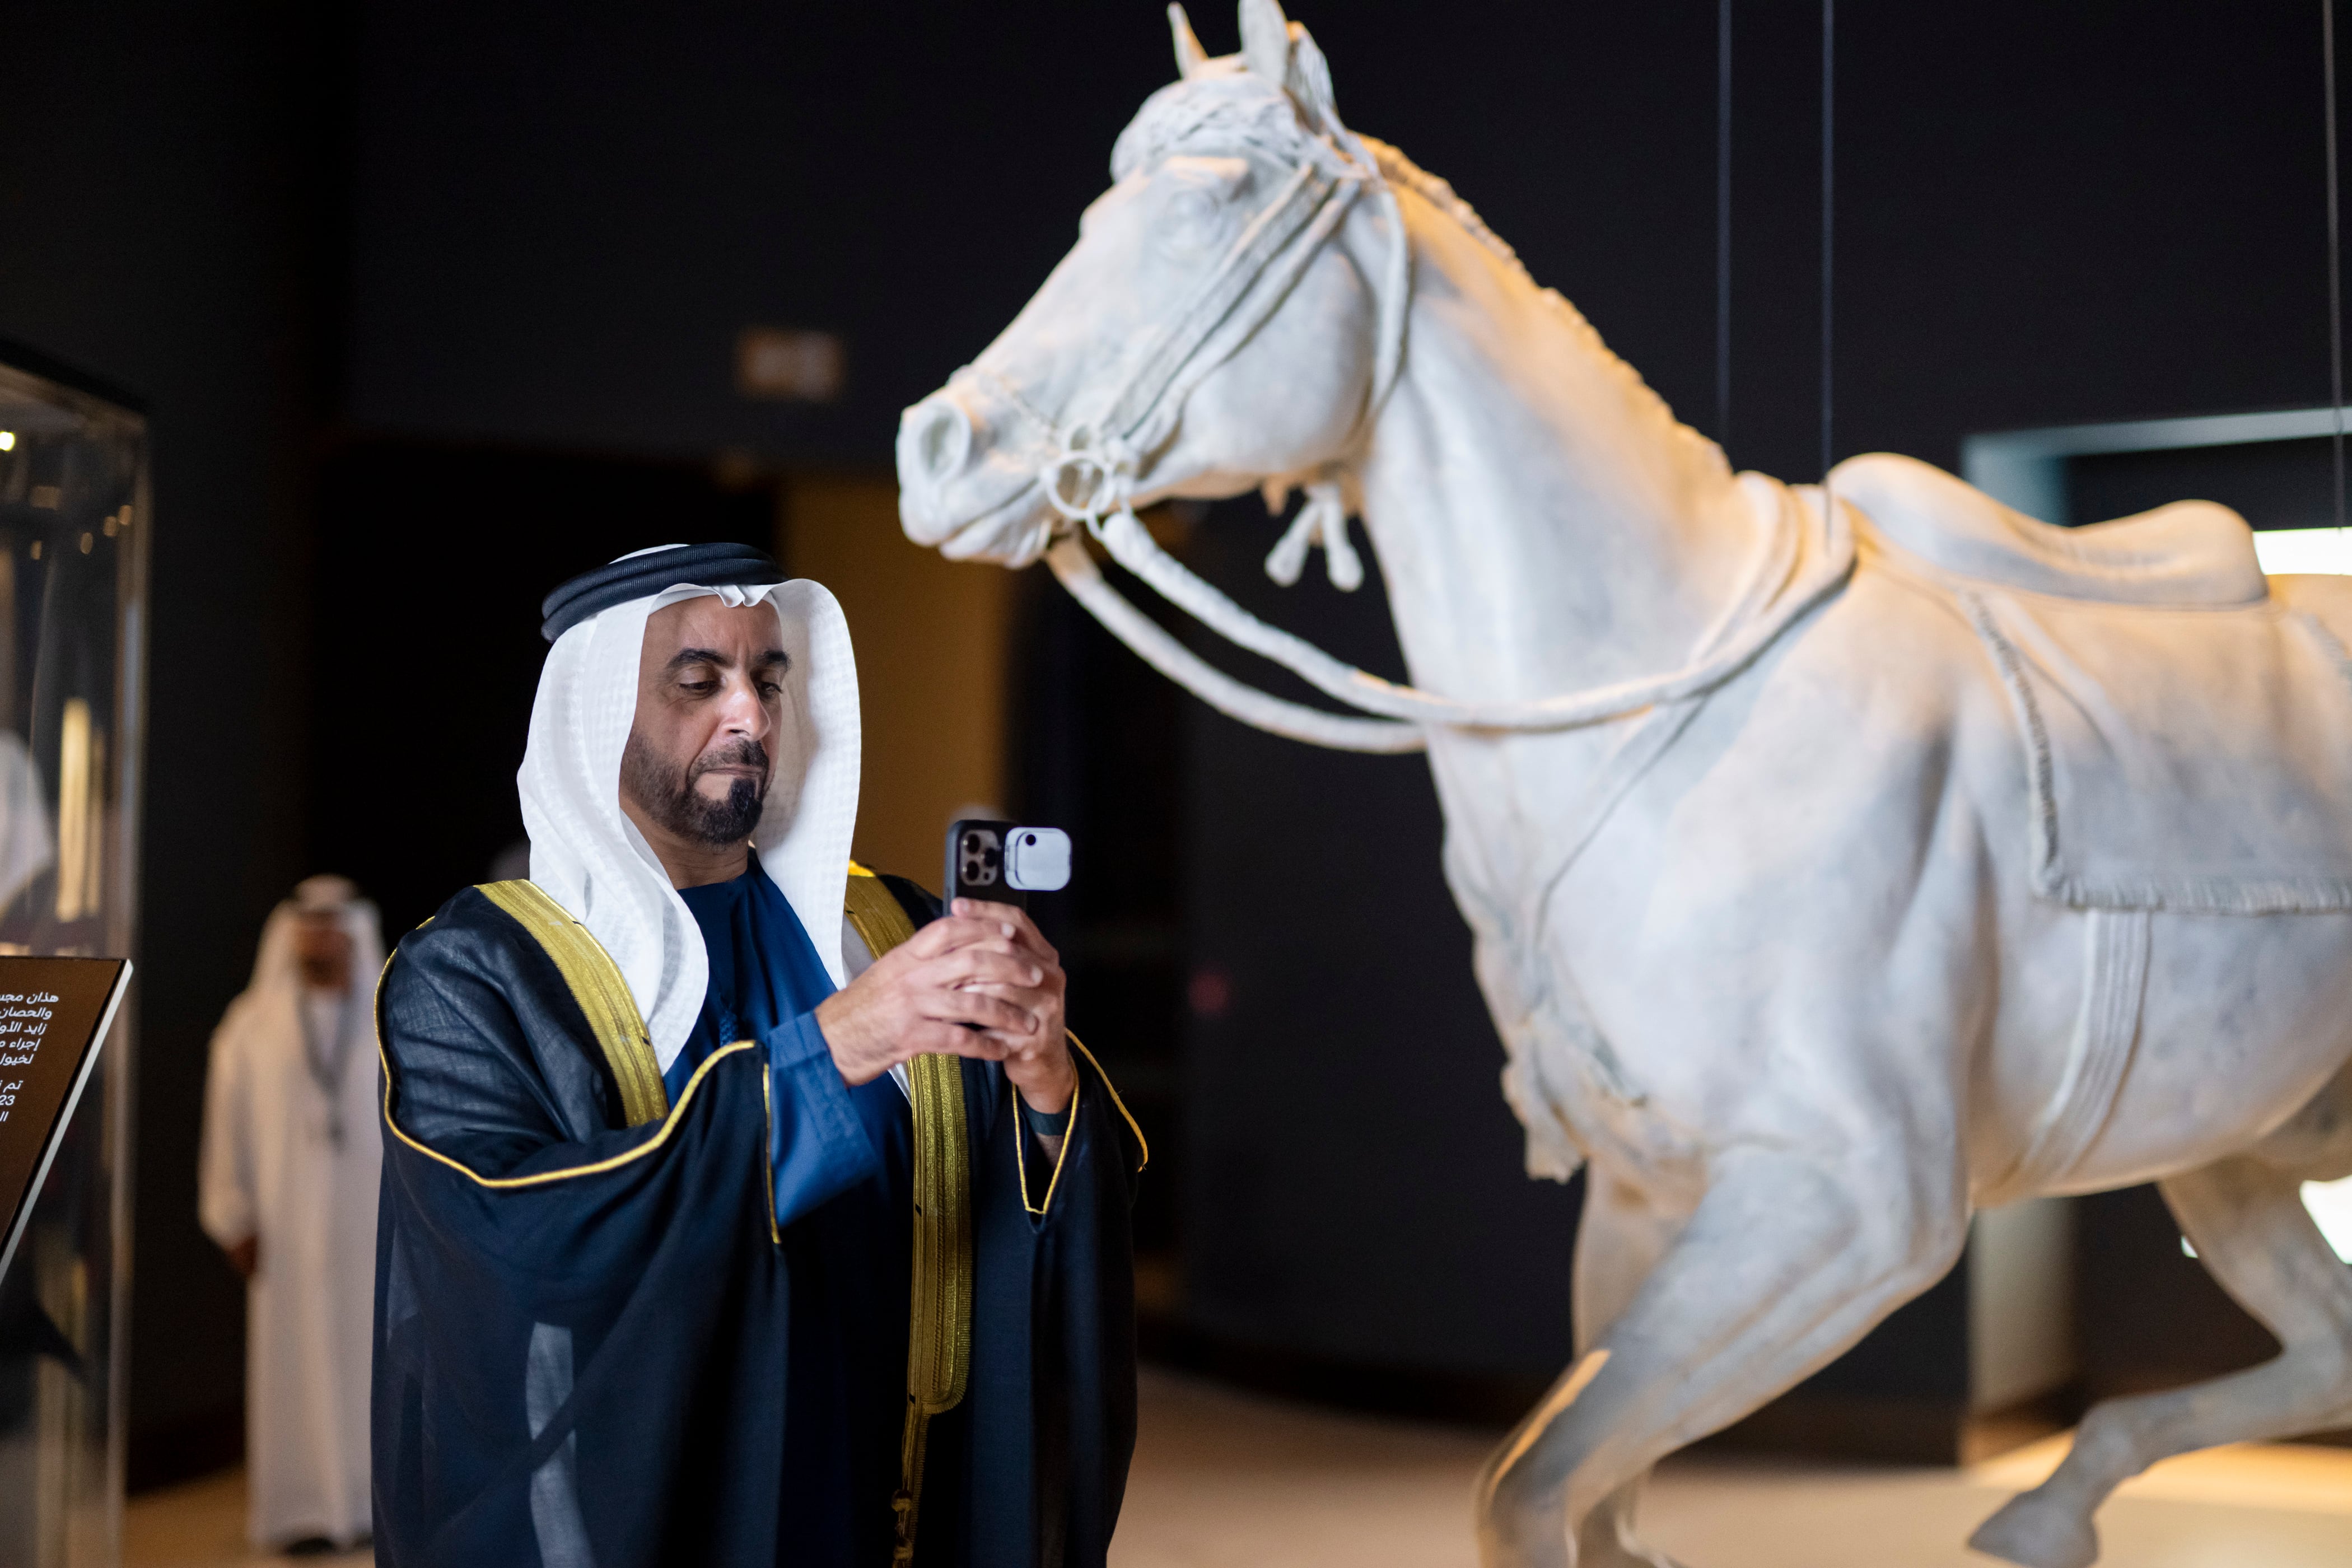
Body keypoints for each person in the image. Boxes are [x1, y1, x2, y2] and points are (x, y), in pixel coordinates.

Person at [372, 543, 1145, 1567]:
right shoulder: (473, 975)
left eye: (769, 679)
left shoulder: (887, 928)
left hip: (886, 1503)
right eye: (699, 682)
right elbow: (520, 1246)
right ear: (594, 715)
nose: (752, 715)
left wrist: (1047, 1088)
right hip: (667, 1514)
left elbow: (1026, 1217)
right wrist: (834, 1050)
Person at [198, 875, 384, 1555]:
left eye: (334, 922)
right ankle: (301, 1508)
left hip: (369, 1232)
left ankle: (367, 1502)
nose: (321, 936)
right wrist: (232, 1214)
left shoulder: (386, 1019)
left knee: (370, 1357)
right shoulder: (252, 1027)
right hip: (287, 1232)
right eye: (309, 922)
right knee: (294, 1361)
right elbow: (227, 1128)